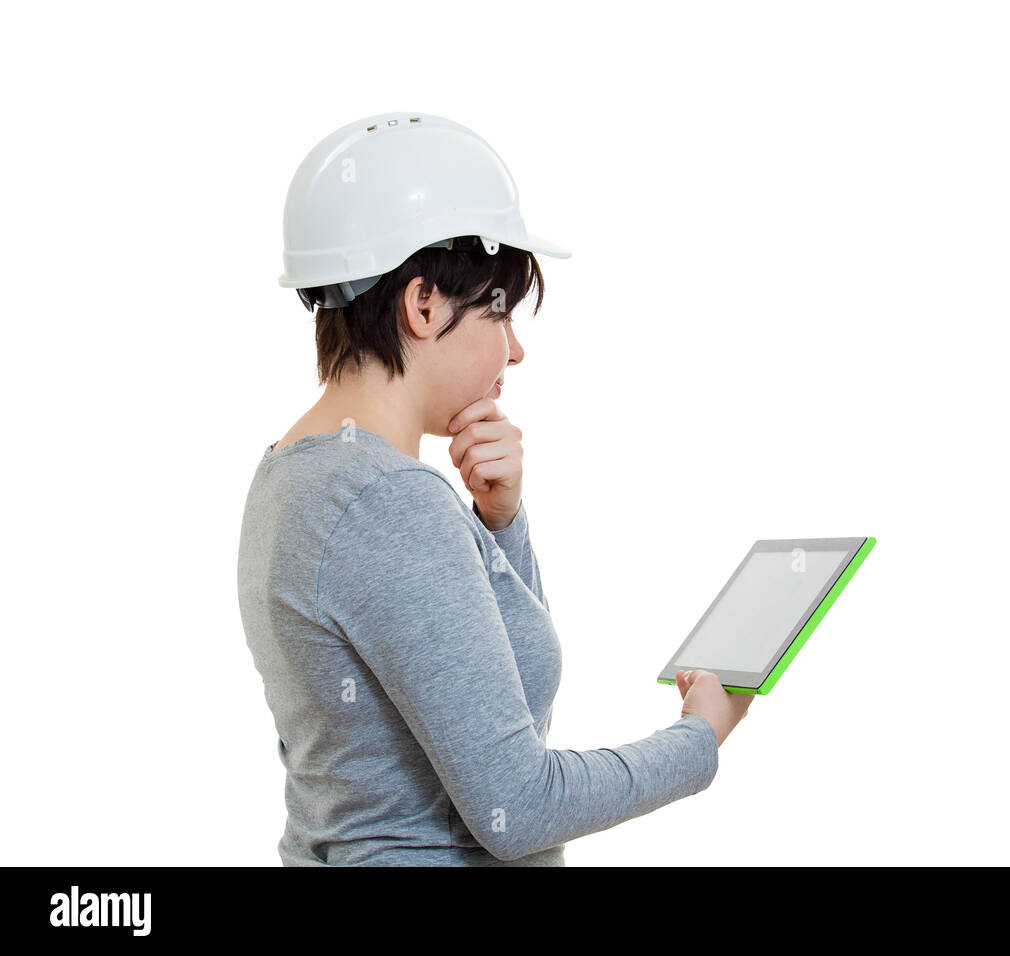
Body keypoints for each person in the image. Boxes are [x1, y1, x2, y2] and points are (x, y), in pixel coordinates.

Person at [236, 113, 752, 866]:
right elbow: (520, 804)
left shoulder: (290, 473)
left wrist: (498, 520)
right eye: (500, 311)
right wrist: (699, 737)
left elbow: (501, 706)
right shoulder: (388, 500)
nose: (516, 347)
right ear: (423, 304)